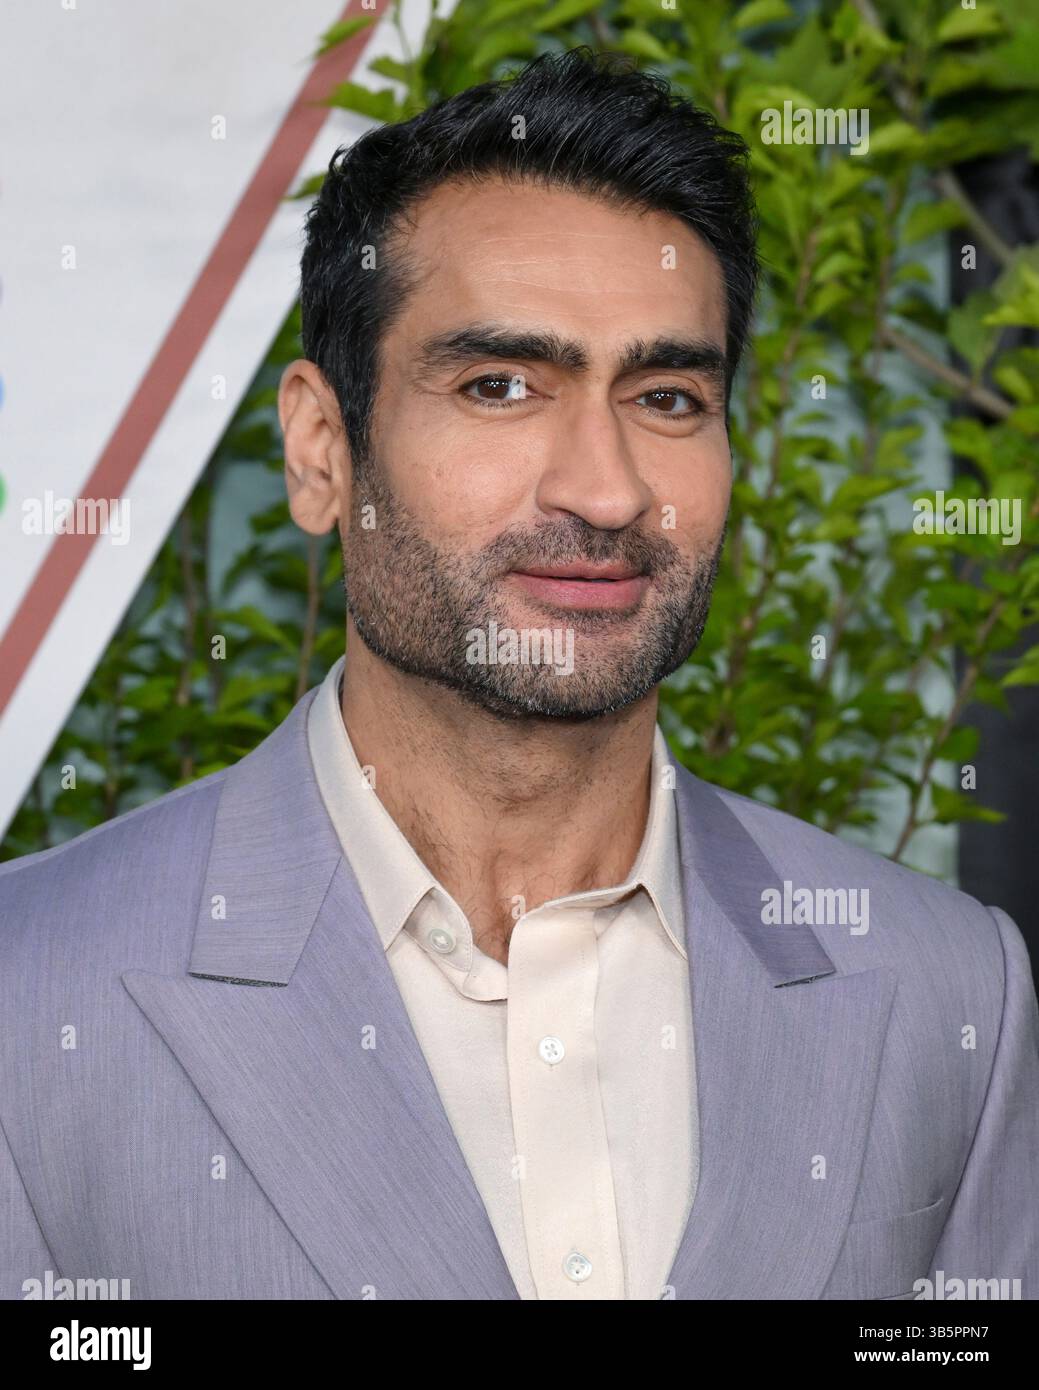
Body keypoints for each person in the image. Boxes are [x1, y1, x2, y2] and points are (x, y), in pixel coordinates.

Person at [2, 47, 1036, 1302]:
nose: (603, 488)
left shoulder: (948, 989)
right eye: (499, 386)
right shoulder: (31, 989)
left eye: (664, 396)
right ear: (323, 452)